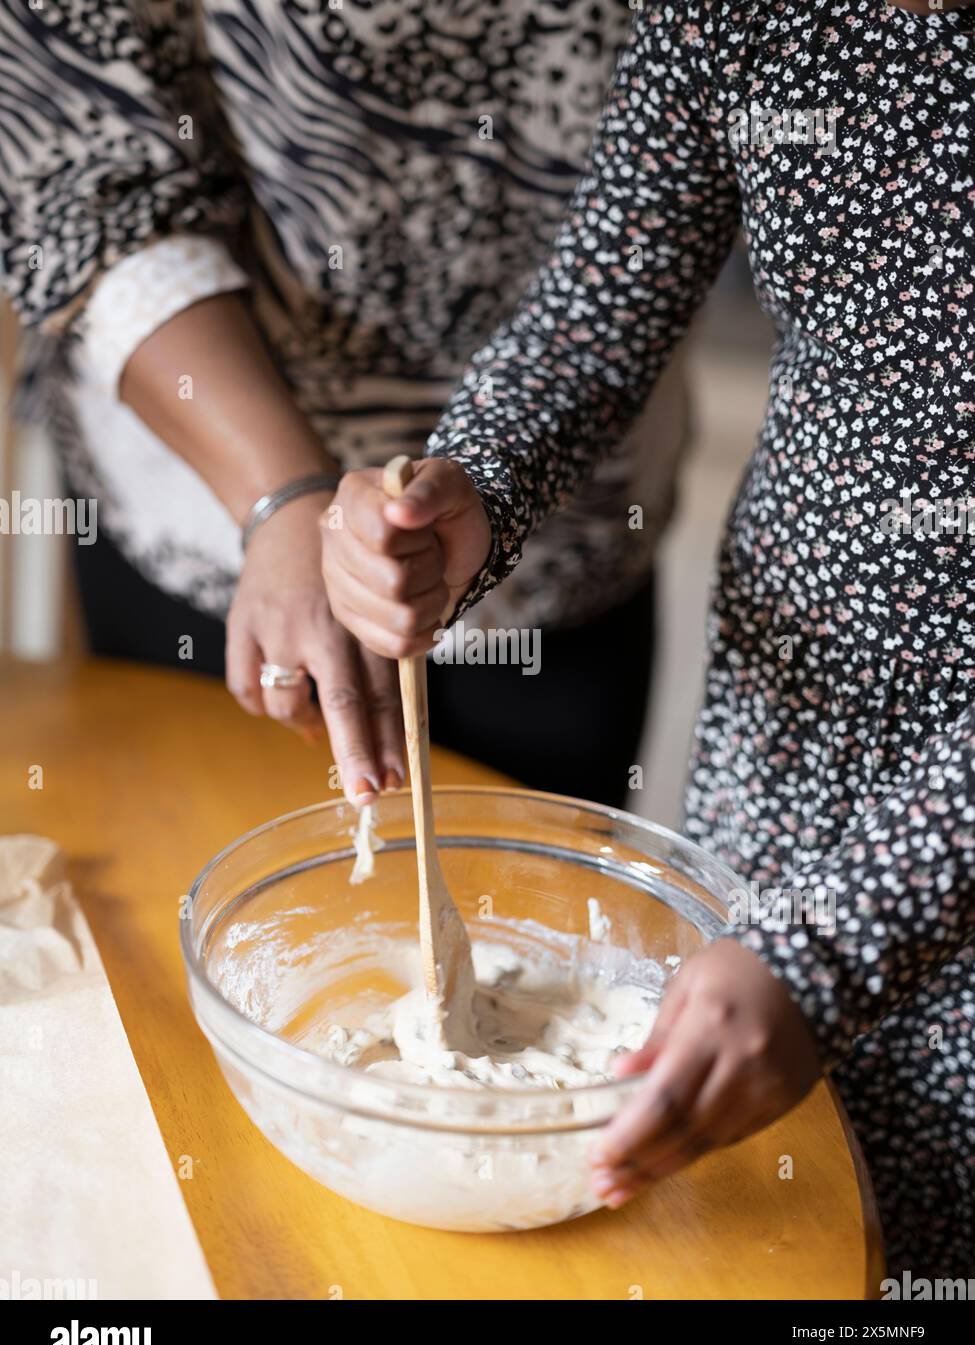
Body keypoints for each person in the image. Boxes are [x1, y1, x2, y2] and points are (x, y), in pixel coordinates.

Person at [320, 0, 975, 1278]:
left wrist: (826, 951)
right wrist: (475, 488)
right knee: (775, 1230)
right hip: (794, 724)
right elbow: (599, 308)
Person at [0, 0, 690, 809]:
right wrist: (284, 502)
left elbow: (637, 260)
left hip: (567, 521)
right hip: (205, 510)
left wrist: (493, 482)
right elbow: (81, 174)